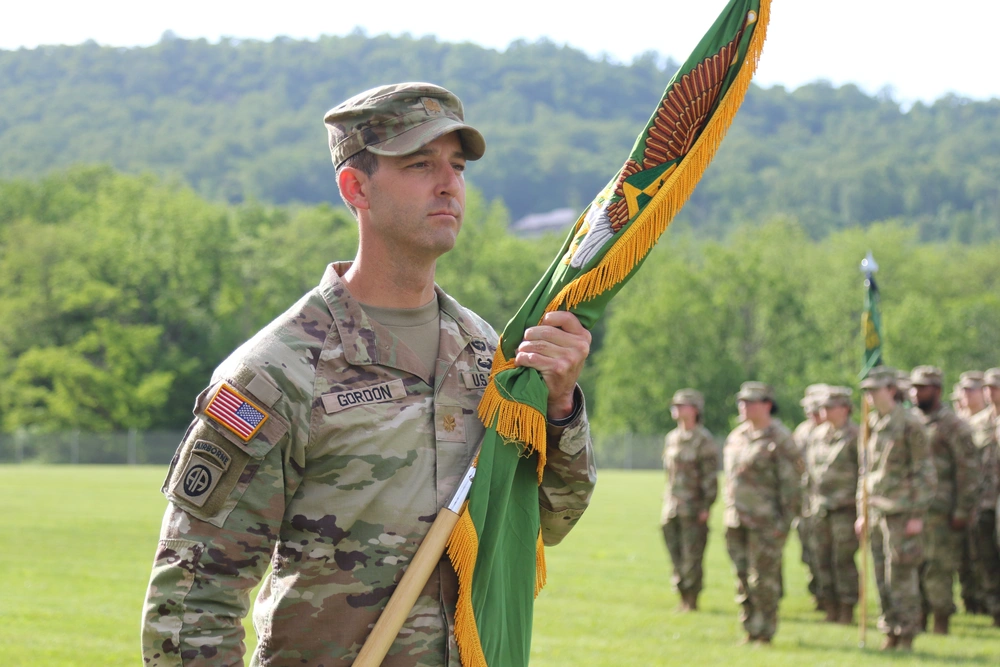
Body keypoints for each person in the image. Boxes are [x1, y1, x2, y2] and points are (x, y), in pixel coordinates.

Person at [140, 82, 597, 667]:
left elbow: (547, 520)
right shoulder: (277, 371)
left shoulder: (489, 356)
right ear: (356, 187)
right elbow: (192, 596)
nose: (449, 183)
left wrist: (559, 409)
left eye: (457, 166)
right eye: (420, 164)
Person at [856, 366, 936, 652]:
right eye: (866, 391)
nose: (869, 396)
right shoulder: (870, 423)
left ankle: (907, 633)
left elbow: (925, 472)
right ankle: (889, 629)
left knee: (901, 574)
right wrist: (861, 512)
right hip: (876, 509)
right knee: (880, 574)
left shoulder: (909, 423)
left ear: (891, 390)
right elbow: (864, 472)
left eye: (874, 390)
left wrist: (917, 514)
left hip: (902, 511)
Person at [723, 381, 803, 645]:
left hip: (767, 522)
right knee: (742, 577)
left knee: (764, 580)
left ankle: (765, 631)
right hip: (736, 520)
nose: (743, 406)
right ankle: (749, 628)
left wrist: (784, 523)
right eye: (741, 402)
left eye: (750, 402)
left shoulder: (780, 438)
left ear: (767, 405)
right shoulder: (736, 436)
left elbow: (792, 486)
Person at [910, 365, 978, 635]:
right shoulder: (910, 422)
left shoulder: (954, 426)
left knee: (938, 566)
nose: (916, 393)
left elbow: (968, 469)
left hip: (942, 509)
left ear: (937, 390)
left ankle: (941, 619)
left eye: (922, 388)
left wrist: (962, 509)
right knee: (915, 564)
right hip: (914, 508)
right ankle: (918, 617)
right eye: (914, 388)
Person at [660, 388, 719, 612]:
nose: (675, 408)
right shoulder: (672, 438)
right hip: (671, 507)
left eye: (681, 405)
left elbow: (710, 477)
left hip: (693, 507)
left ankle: (691, 599)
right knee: (675, 554)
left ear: (695, 409)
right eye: (674, 405)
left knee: (692, 555)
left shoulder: (703, 440)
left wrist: (706, 506)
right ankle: (681, 594)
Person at [804, 386, 859, 624]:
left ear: (845, 408)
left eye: (830, 407)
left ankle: (846, 608)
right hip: (820, 508)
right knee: (821, 559)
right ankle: (829, 607)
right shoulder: (817, 435)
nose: (824, 411)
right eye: (823, 407)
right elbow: (810, 473)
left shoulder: (856, 436)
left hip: (845, 508)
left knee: (843, 560)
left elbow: (864, 472)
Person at [969, 368, 1000, 626]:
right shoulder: (977, 423)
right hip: (984, 501)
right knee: (986, 557)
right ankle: (996, 609)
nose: (991, 392)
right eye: (988, 387)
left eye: (996, 387)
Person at [792, 384, 826, 608]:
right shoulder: (802, 432)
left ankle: (830, 595)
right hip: (804, 501)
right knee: (808, 550)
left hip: (827, 500)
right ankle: (817, 591)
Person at [956, 371, 987, 615]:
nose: (966, 394)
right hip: (962, 498)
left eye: (972, 389)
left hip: (986, 497)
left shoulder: (989, 421)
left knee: (983, 554)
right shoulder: (959, 422)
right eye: (964, 389)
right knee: (964, 554)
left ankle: (987, 601)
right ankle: (971, 601)